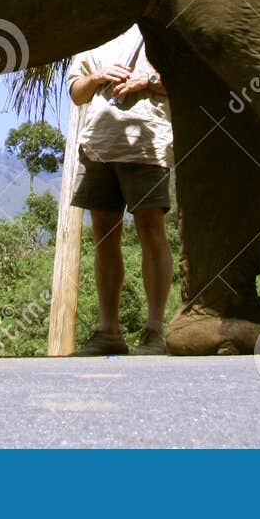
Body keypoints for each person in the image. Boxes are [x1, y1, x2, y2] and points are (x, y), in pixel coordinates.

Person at [67, 26, 173, 356]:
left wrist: (149, 81)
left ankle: (155, 331)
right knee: (103, 236)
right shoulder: (92, 33)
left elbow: (185, 84)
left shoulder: (159, 30)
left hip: (147, 145)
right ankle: (108, 330)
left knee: (151, 230)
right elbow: (76, 92)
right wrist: (98, 76)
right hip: (97, 146)